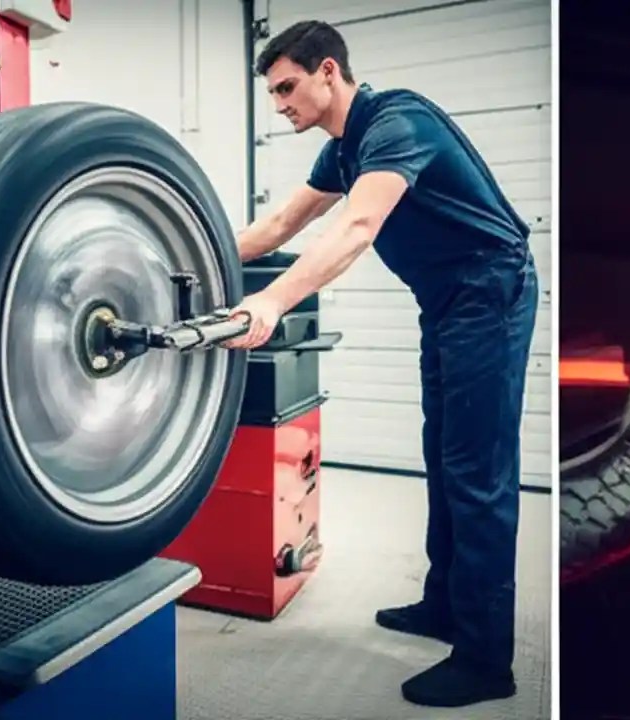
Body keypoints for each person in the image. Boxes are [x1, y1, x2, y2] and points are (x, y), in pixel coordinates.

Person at [226, 20, 538, 709]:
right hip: (448, 300)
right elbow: (279, 225)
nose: (280, 105)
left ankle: (487, 661)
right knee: (444, 452)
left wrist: (272, 301)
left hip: (492, 290)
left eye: (288, 87)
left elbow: (359, 227)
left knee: (477, 469)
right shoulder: (341, 150)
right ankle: (445, 605)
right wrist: (195, 253)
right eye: (273, 92)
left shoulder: (397, 121)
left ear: (328, 71)